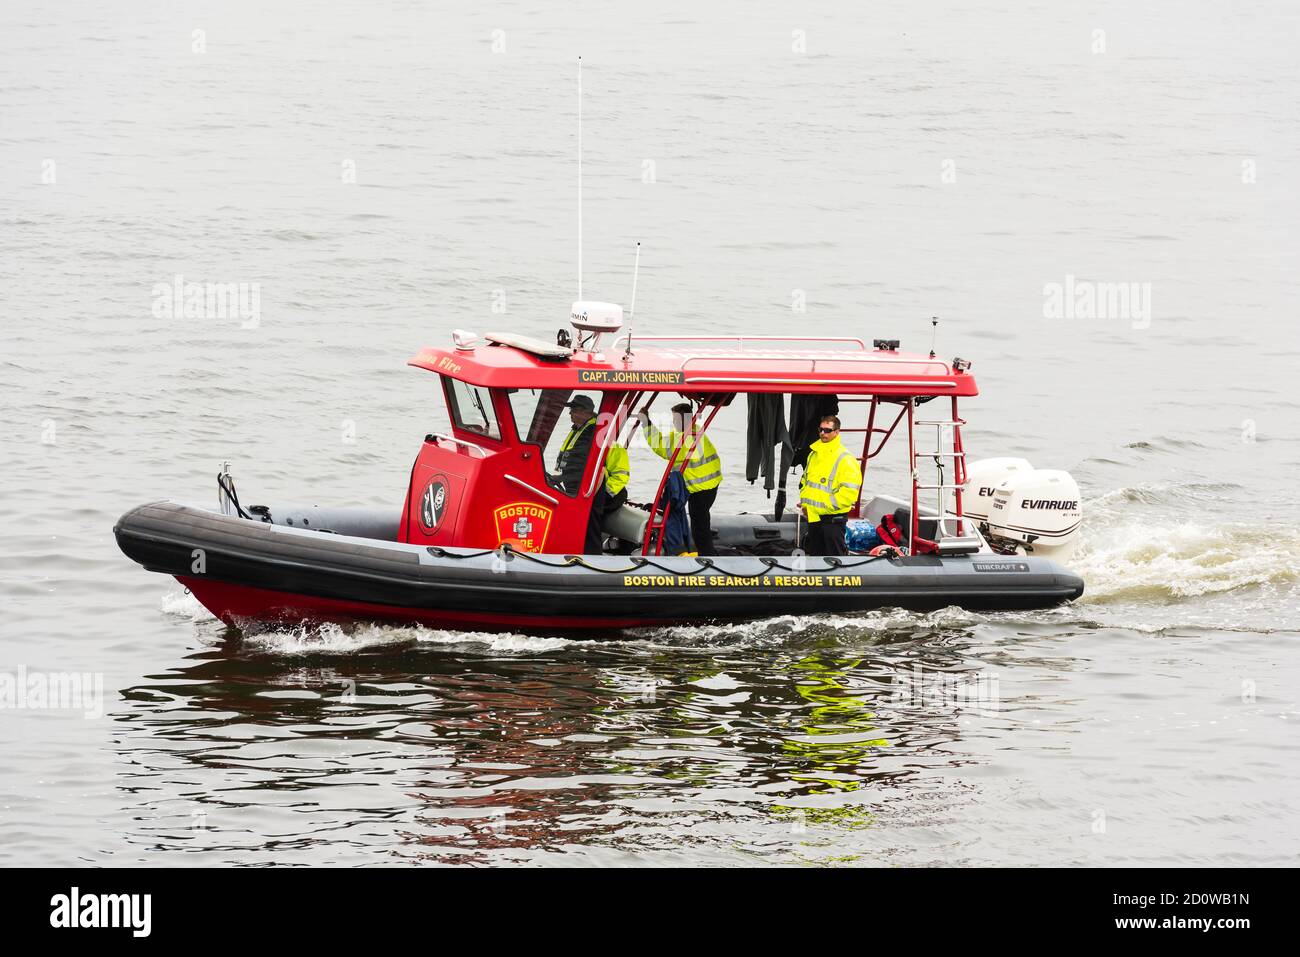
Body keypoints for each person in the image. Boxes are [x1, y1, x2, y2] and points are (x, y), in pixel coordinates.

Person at [638, 402, 723, 555]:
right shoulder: (692, 432)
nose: (674, 422)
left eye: (676, 419)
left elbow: (662, 447)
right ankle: (703, 552)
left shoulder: (687, 438)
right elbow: (664, 443)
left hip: (701, 488)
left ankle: (707, 556)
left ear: (685, 420)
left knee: (699, 526)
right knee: (701, 521)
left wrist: (646, 423)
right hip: (709, 484)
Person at [798, 414, 863, 556]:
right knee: (815, 557)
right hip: (814, 517)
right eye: (820, 429)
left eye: (827, 430)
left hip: (833, 520)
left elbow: (849, 494)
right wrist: (805, 504)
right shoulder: (813, 454)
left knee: (835, 559)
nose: (823, 433)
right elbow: (805, 482)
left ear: (837, 432)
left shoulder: (845, 458)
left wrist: (822, 507)